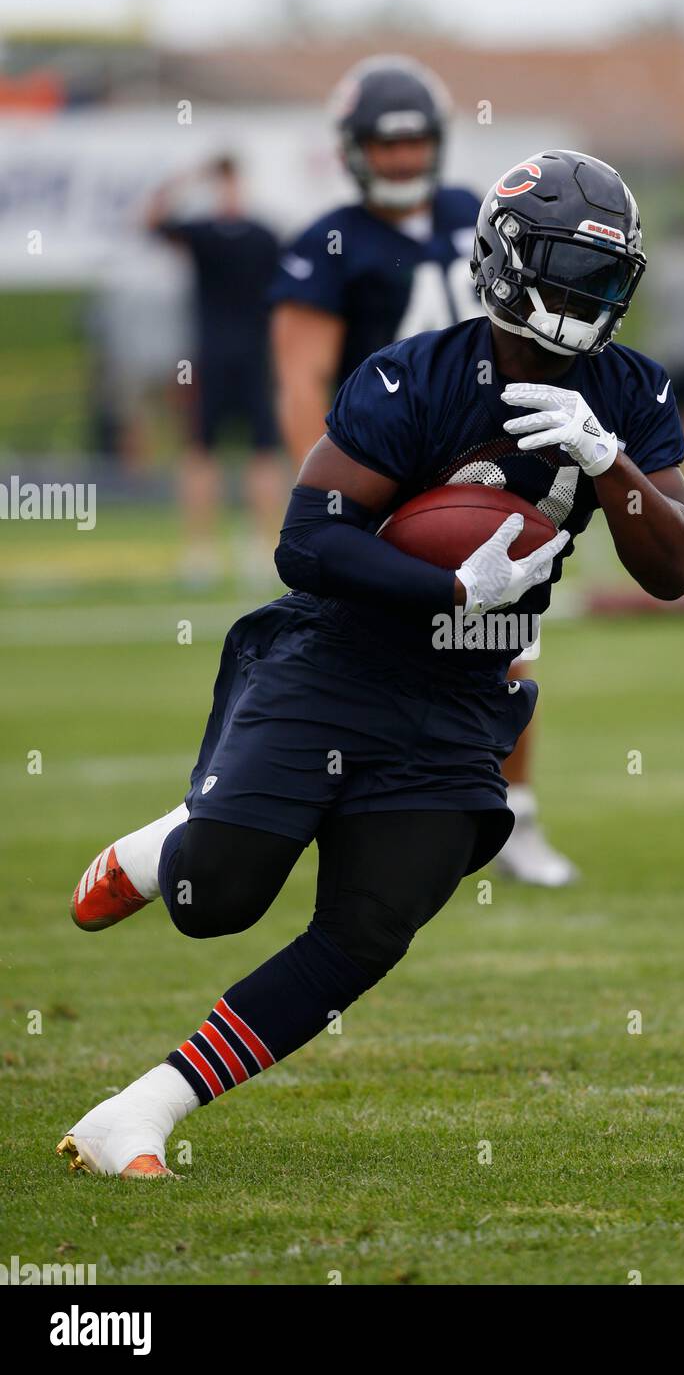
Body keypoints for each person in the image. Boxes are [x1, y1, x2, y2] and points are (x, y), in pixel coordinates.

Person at [58, 149, 684, 1178]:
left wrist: (604, 459)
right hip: (337, 659)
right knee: (210, 900)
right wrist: (446, 589)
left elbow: (674, 566)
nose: (583, 298)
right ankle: (167, 843)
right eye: (562, 269)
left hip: (465, 688)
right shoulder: (415, 373)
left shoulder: (625, 392)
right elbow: (306, 540)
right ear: (501, 263)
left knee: (371, 923)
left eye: (601, 277)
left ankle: (138, 1111)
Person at [270, 54, 574, 885]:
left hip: (477, 467)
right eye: (386, 145)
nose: (403, 161)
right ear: (354, 147)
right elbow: (300, 380)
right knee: (354, 652)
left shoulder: (476, 217)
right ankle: (319, 813)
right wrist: (323, 498)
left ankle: (516, 819)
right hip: (380, 466)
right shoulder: (327, 244)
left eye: (415, 144)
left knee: (507, 640)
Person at [146, 156, 284, 586]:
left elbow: (153, 217)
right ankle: (200, 549)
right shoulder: (208, 233)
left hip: (252, 357)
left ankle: (262, 546)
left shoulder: (262, 236)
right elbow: (151, 223)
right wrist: (189, 180)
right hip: (212, 359)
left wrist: (186, 179)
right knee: (201, 450)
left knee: (263, 451)